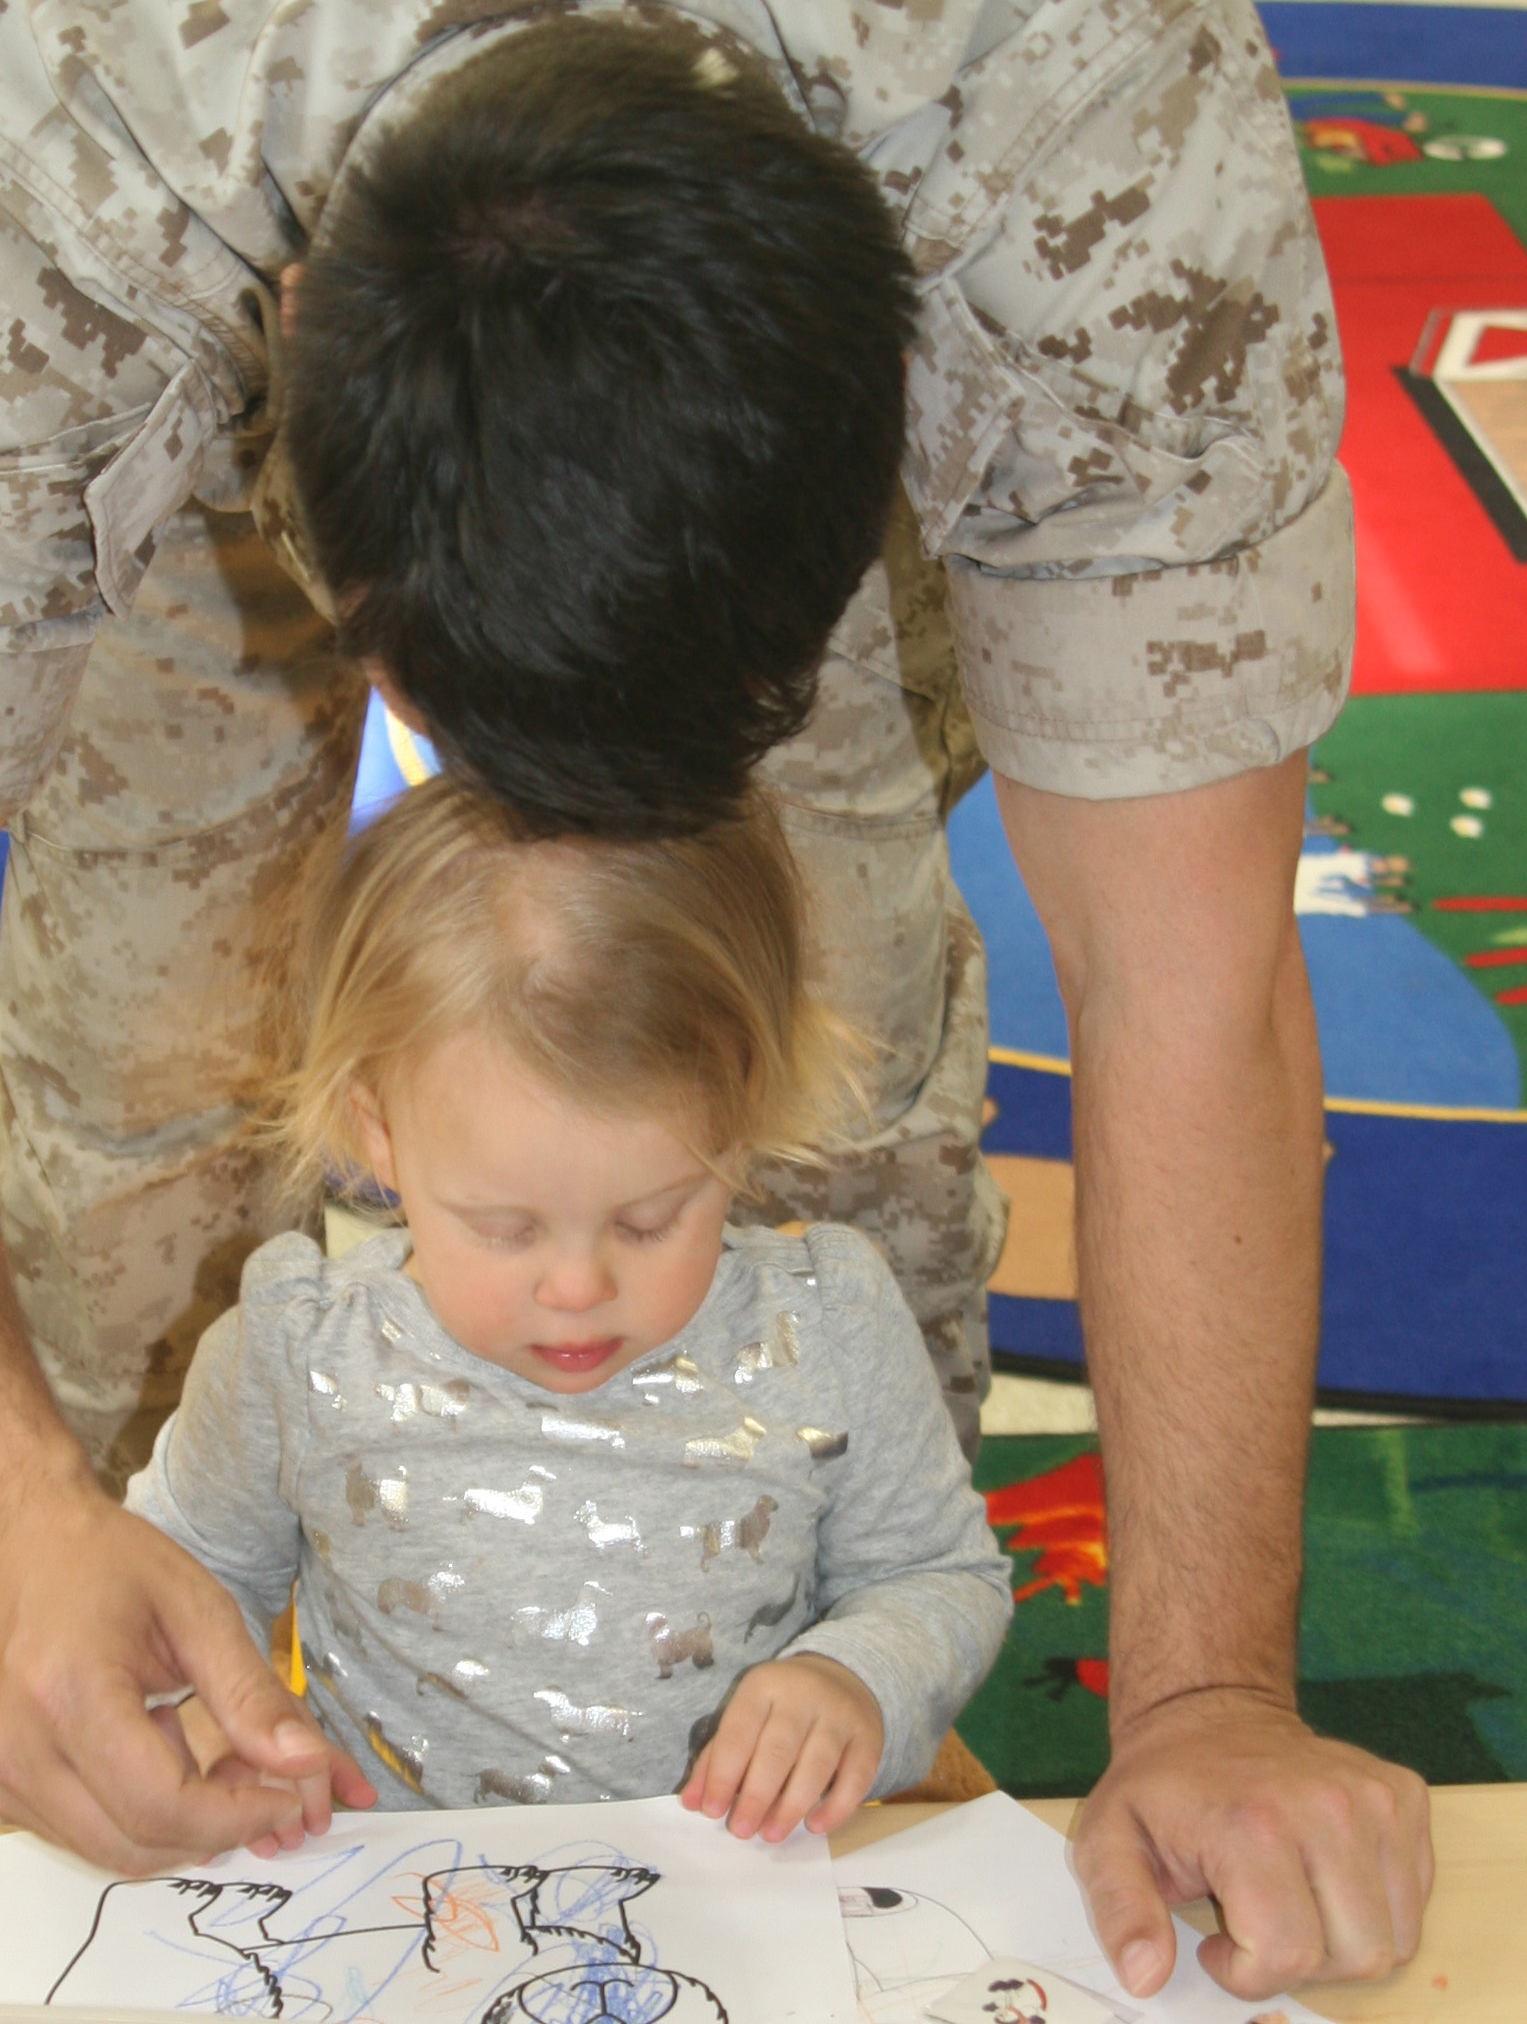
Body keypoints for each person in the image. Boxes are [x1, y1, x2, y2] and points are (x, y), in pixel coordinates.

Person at [0, 0, 1430, 1997]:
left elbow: (1189, 966)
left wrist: (1205, 1695)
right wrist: (2, 1516)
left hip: (858, 177)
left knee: (825, 1122)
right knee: (137, 1145)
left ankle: (812, 1833)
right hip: (165, 204)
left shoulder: (1071, 55)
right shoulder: (41, 120)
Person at [126, 777, 1013, 1838]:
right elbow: (181, 1580)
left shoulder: (827, 1330)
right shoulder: (299, 1358)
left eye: (647, 1220)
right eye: (502, 1228)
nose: (577, 1288)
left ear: (738, 1121)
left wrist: (856, 1679)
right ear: (379, 1132)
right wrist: (217, 1724)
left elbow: (939, 1577)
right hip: (409, 1915)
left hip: (739, 1912)